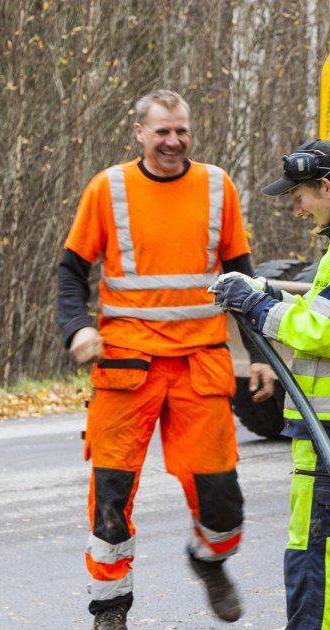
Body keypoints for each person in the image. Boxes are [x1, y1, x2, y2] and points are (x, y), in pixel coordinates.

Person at [56, 89, 275, 630]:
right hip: (127, 368)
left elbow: (241, 279)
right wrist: (77, 328)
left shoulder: (217, 186)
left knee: (222, 501)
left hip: (199, 365)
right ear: (139, 132)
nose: (173, 141)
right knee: (110, 502)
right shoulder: (108, 189)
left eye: (182, 130)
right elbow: (70, 272)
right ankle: (109, 611)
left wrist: (261, 354)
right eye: (162, 132)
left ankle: (209, 561)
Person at [209, 140, 330, 629]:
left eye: (299, 195)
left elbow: (327, 332)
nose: (295, 207)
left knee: (313, 550)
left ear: (325, 186)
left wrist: (256, 308)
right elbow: (324, 315)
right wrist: (268, 293)